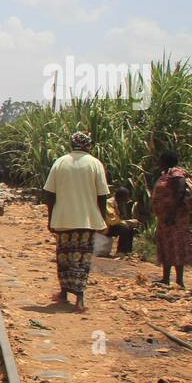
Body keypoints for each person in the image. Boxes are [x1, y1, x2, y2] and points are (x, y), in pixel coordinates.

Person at [42, 131, 110, 311]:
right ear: (89, 145)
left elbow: (49, 193)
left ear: (71, 144)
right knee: (82, 259)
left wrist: (51, 218)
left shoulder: (60, 162)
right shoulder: (95, 164)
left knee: (64, 257)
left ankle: (64, 292)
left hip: (64, 219)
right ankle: (79, 299)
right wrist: (102, 219)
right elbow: (102, 196)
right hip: (86, 221)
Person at [151, 150, 192, 287]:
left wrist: (172, 213)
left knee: (176, 247)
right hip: (165, 219)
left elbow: (180, 191)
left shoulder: (176, 173)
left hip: (175, 219)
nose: (158, 163)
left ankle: (179, 281)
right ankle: (165, 279)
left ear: (166, 161)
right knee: (165, 246)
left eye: (160, 160)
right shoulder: (166, 174)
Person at [104, 186, 138, 255]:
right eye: (125, 197)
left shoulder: (118, 204)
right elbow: (112, 221)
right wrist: (128, 222)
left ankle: (127, 252)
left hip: (111, 226)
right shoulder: (109, 203)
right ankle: (121, 252)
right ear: (121, 197)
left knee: (130, 228)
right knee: (124, 229)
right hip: (105, 228)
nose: (126, 200)